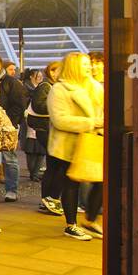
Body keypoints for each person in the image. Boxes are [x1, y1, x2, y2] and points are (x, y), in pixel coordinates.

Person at [46, 51, 104, 241]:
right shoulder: (60, 89)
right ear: (73, 67)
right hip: (68, 145)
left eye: (89, 64)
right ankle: (71, 224)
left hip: (92, 141)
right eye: (84, 65)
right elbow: (60, 120)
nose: (89, 67)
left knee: (101, 180)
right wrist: (91, 123)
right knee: (71, 183)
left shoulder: (95, 87)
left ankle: (90, 219)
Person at [0, 54, 28, 202]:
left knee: (10, 159)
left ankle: (11, 190)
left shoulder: (11, 82)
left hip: (7, 127)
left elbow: (20, 104)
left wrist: (7, 120)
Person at [27, 61, 60, 189]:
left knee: (52, 162)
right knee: (53, 163)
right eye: (53, 70)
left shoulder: (55, 85)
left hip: (48, 127)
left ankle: (49, 196)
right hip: (45, 127)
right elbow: (39, 106)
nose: (56, 73)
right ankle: (49, 196)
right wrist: (58, 106)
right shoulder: (46, 86)